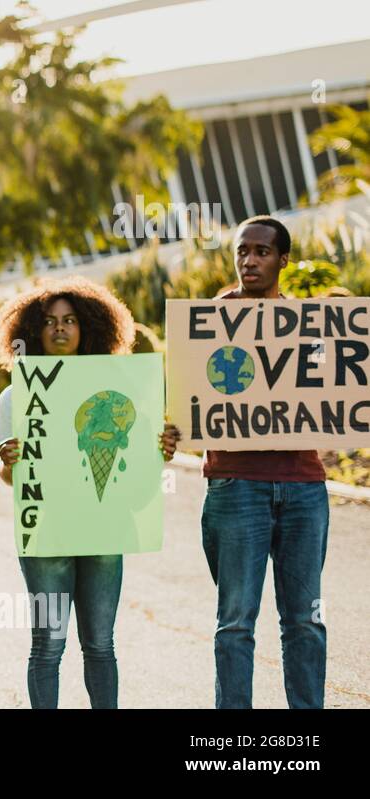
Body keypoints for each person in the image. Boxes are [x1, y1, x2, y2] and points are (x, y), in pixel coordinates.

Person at [0, 276, 181, 709]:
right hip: (47, 536)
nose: (60, 328)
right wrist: (9, 462)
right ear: (32, 330)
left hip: (104, 530)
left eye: (70, 320)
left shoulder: (121, 393)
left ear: (88, 328)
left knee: (99, 644)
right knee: (48, 646)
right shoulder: (15, 396)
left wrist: (161, 449)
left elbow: (140, 459)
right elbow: (9, 478)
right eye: (51, 321)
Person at [199, 215, 329, 709]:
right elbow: (191, 401)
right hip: (237, 486)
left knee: (305, 619)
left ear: (282, 259)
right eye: (242, 251)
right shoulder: (207, 323)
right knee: (235, 622)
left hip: (303, 486)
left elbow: (330, 395)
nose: (249, 261)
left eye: (261, 252)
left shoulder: (308, 327)